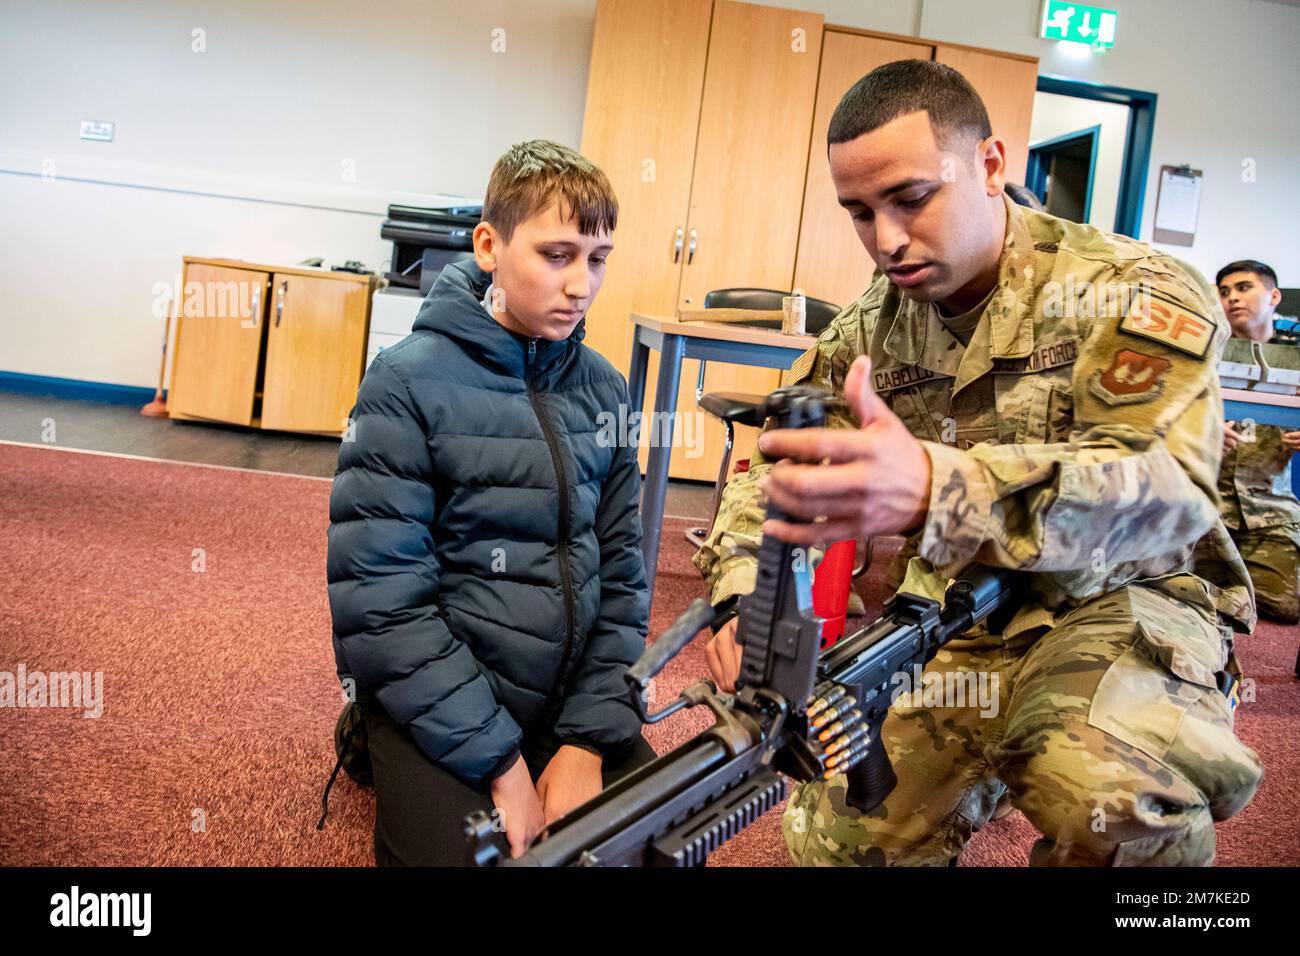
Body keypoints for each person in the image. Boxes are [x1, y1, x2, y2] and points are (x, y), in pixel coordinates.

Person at [694, 60, 1263, 866]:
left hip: (1116, 602)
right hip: (954, 615)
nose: (886, 239)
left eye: (911, 198)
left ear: (992, 166)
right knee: (844, 843)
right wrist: (743, 595)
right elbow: (771, 472)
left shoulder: (1129, 288)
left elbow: (1166, 489)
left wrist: (935, 488)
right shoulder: (871, 327)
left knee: (1122, 810)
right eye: (859, 212)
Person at [326, 139, 656, 866]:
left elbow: (627, 582)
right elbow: (380, 606)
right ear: (488, 246)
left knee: (652, 846)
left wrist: (584, 741)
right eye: (557, 254)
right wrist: (504, 769)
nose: (582, 285)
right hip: (446, 694)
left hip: (565, 698)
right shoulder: (405, 385)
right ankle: (370, 735)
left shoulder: (605, 391)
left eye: (597, 259)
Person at [1212, 259, 1300, 623]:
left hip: (1270, 510)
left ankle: (1216, 590)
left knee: (1287, 606)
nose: (1232, 298)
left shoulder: (1295, 362)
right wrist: (1198, 431)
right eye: (1224, 292)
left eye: (1244, 287)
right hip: (1205, 508)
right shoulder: (1202, 354)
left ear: (1274, 296)